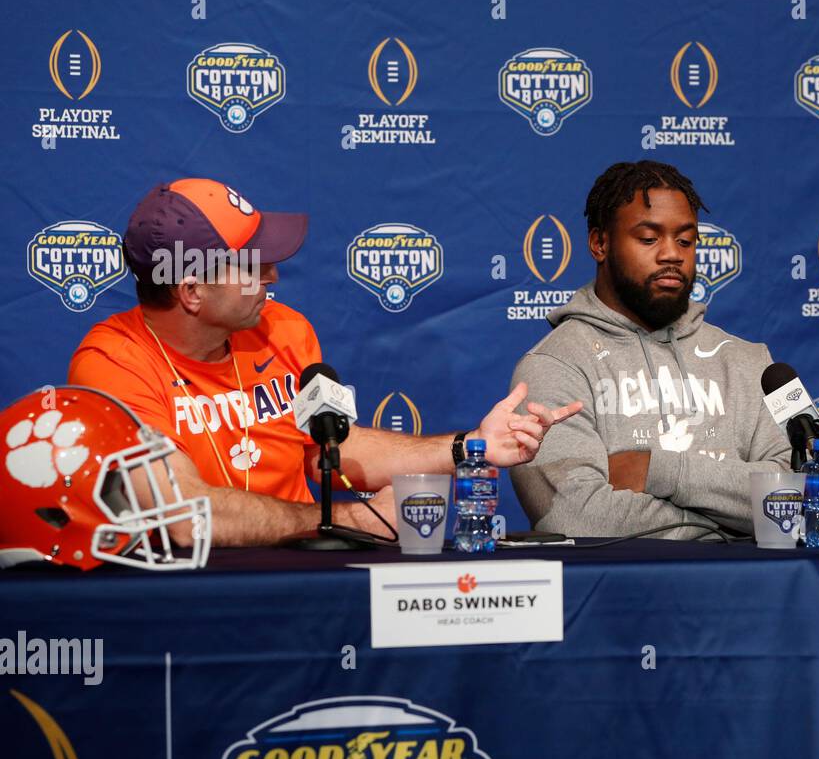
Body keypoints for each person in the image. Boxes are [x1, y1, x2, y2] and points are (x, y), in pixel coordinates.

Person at [67, 178, 580, 547]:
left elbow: (331, 449)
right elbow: (183, 517)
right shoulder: (111, 364)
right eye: (252, 265)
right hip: (188, 590)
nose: (271, 276)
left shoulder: (283, 330)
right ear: (193, 290)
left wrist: (470, 447)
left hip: (299, 575)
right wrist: (343, 522)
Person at [509, 161, 791, 539]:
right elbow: (575, 517)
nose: (671, 254)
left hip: (751, 593)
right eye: (649, 239)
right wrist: (731, 523)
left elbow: (804, 500)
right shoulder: (553, 366)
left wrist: (658, 471)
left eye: (685, 241)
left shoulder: (752, 362)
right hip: (620, 596)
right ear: (599, 243)